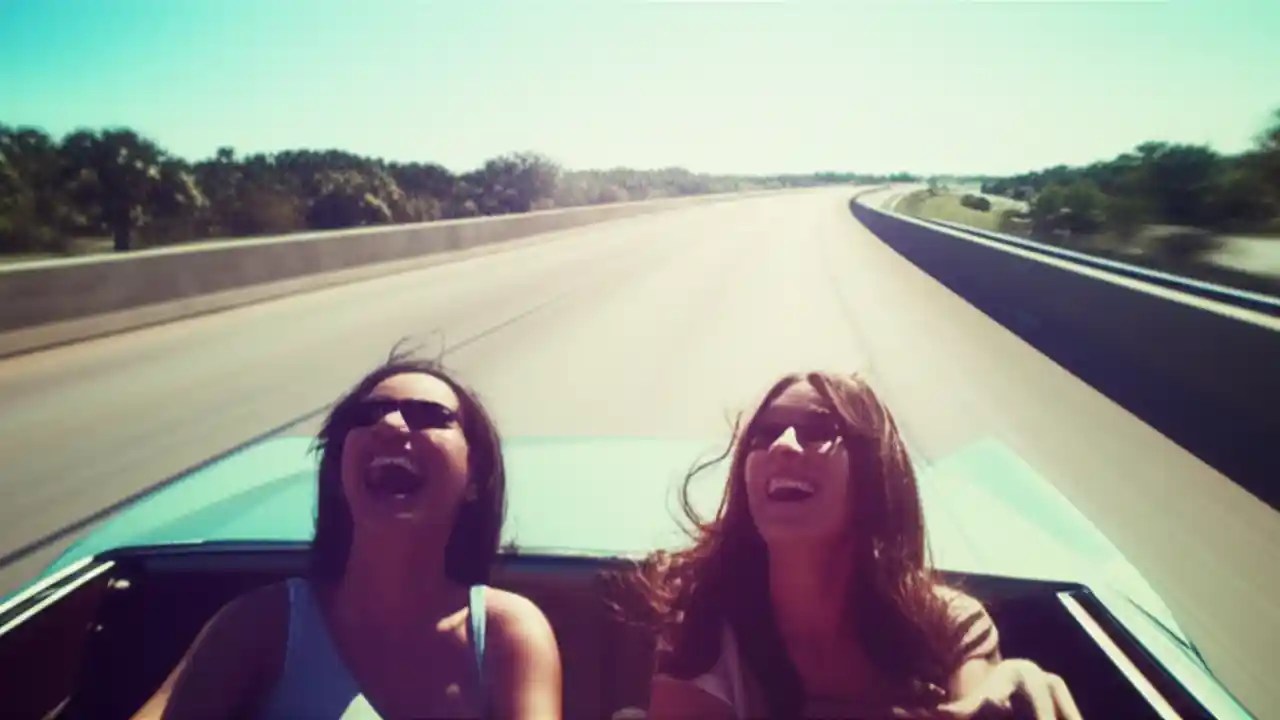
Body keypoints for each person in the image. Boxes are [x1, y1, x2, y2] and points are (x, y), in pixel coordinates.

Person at [133, 350, 562, 719]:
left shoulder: (508, 634)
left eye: (430, 415)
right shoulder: (260, 624)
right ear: (339, 474)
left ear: (475, 477)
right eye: (367, 415)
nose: (390, 426)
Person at [634, 371, 1082, 719]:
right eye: (764, 433)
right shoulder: (702, 627)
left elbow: (983, 703)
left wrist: (1013, 689)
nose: (783, 447)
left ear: (874, 472)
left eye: (819, 429)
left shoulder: (947, 628)